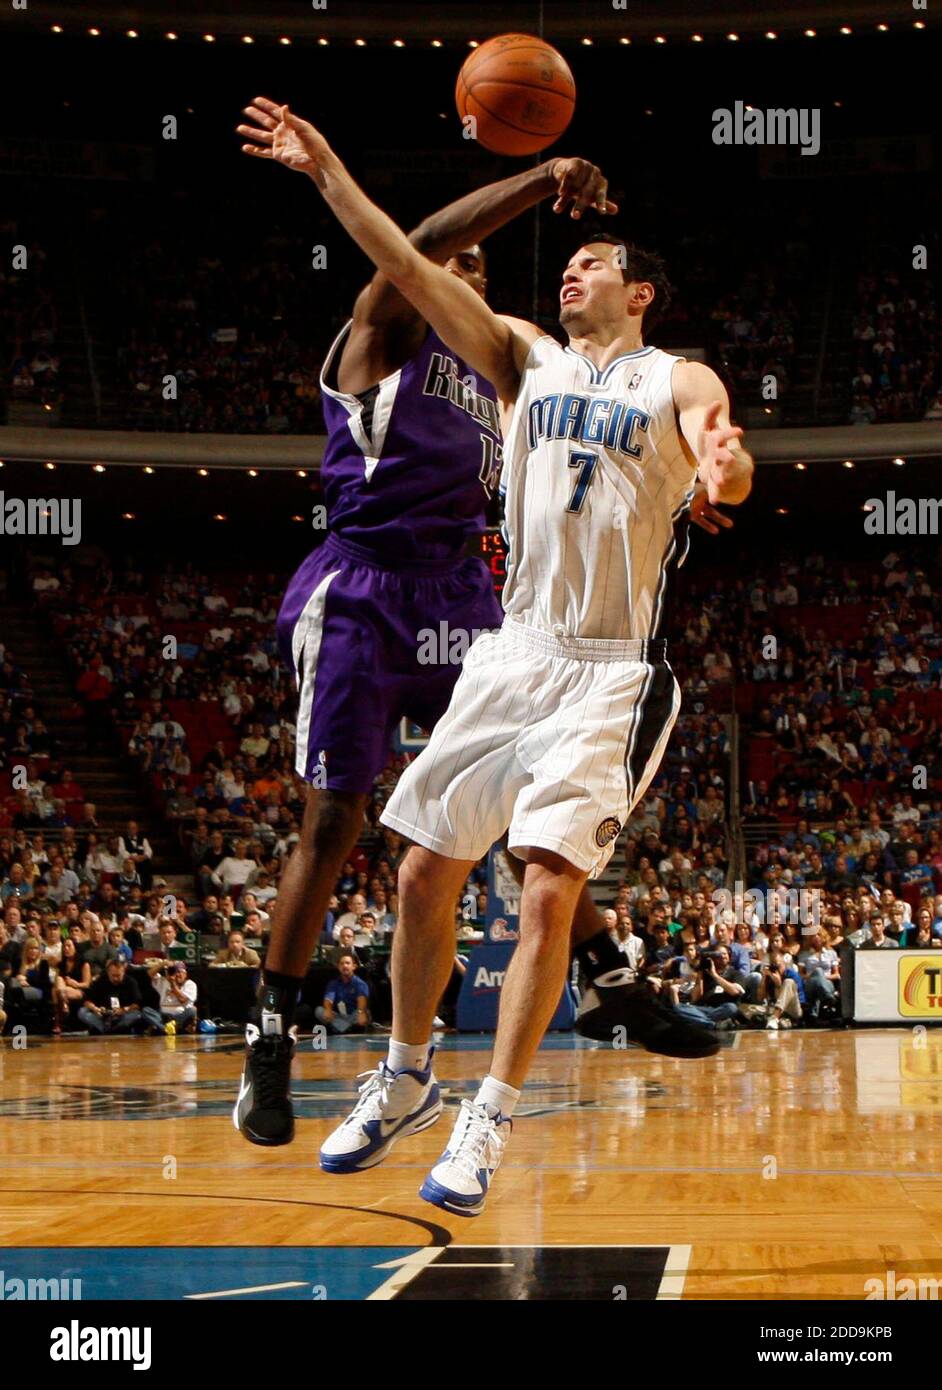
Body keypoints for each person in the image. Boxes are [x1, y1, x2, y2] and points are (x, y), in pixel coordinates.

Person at [258, 104, 754, 1212]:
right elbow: (397, 254)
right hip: (510, 651)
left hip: (612, 668)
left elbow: (724, 444)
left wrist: (724, 466)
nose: (572, 269)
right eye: (568, 261)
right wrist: (326, 165)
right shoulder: (518, 355)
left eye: (596, 262)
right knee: (422, 871)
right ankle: (405, 1075)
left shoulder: (673, 374)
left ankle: (492, 1112)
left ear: (641, 295)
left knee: (542, 893)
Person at [78, 957, 162, 1035]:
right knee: (82, 1011)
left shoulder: (131, 982)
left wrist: (124, 1010)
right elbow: (87, 1001)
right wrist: (95, 1009)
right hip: (103, 1016)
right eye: (113, 976)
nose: (115, 979)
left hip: (123, 1015)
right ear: (108, 973)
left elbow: (137, 1004)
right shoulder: (100, 981)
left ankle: (110, 1030)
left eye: (118, 976)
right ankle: (107, 1030)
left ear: (123, 972)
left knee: (136, 1014)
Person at [315, 952, 370, 1037]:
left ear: (354, 966)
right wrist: (328, 1009)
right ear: (338, 967)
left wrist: (361, 1012)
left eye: (347, 963)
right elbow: (328, 1000)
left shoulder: (360, 983)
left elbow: (361, 1000)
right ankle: (347, 1029)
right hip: (339, 1016)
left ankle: (339, 1028)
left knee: (365, 1012)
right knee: (319, 1010)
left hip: (354, 1015)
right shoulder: (333, 984)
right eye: (342, 964)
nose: (344, 966)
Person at [153, 962, 198, 1033]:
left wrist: (173, 983)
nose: (177, 975)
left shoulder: (190, 984)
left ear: (185, 974)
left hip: (179, 1017)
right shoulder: (163, 981)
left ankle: (167, 1028)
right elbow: (150, 973)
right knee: (146, 1011)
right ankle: (168, 1028)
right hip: (164, 1016)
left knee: (192, 1010)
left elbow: (182, 999)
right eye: (175, 972)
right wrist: (162, 963)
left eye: (179, 972)